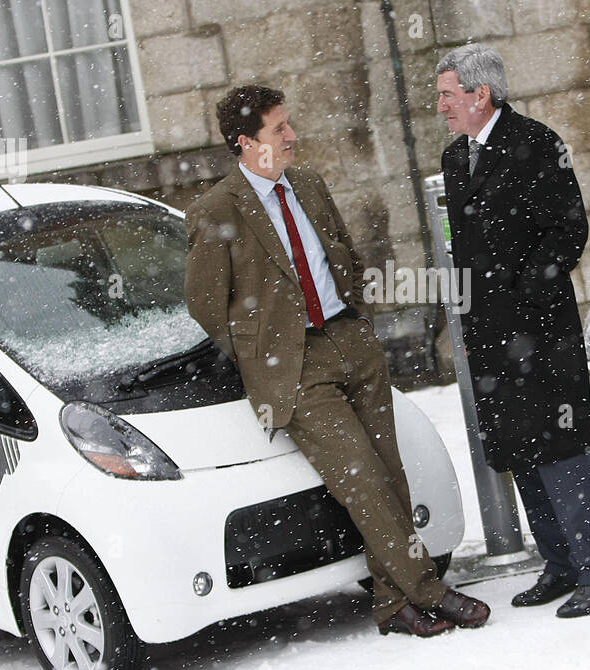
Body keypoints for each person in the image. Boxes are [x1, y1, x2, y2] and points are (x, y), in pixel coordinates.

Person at [185, 85, 489, 637]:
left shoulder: (307, 184)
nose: (292, 135)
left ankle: (393, 604)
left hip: (350, 341)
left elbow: (343, 254)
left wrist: (359, 323)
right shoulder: (217, 210)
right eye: (279, 129)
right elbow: (205, 304)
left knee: (390, 473)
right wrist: (264, 354)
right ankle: (428, 590)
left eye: (288, 124)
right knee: (363, 482)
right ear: (246, 142)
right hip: (296, 368)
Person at [436, 44, 590, 617]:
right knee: (519, 448)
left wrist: (521, 294)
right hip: (488, 334)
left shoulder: (537, 143)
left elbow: (568, 231)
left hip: (539, 330)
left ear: (481, 94)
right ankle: (560, 563)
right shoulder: (455, 157)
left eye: (447, 94)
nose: (441, 106)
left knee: (558, 446)